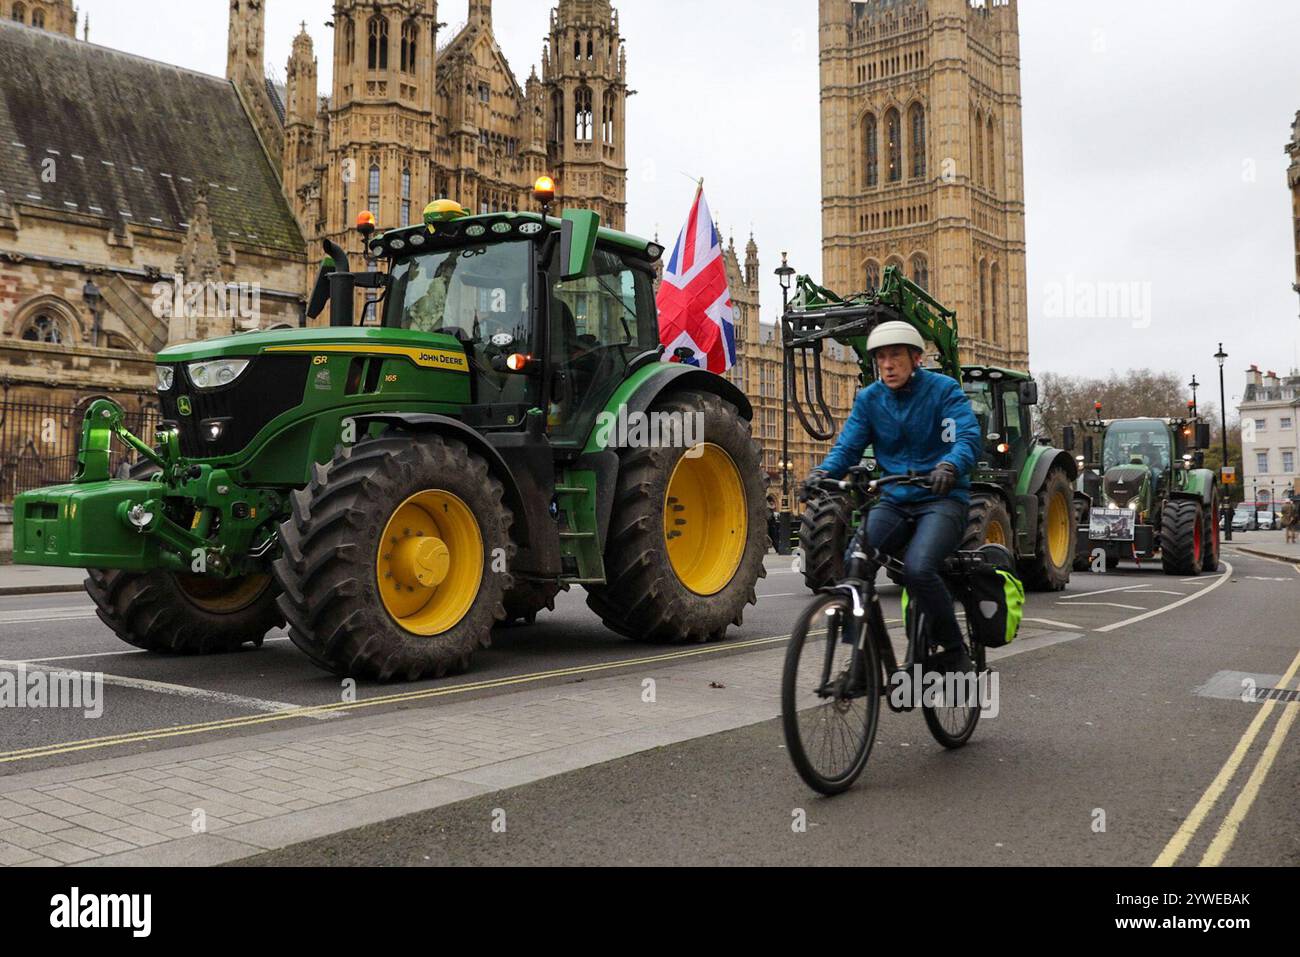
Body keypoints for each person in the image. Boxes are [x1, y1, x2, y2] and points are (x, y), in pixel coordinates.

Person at [804, 321, 983, 674]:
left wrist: (949, 464)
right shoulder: (870, 399)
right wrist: (823, 474)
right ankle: (860, 665)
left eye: (896, 356)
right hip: (894, 500)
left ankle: (954, 649)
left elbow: (967, 437)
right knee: (855, 566)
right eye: (881, 358)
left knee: (918, 569)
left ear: (916, 358)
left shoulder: (943, 391)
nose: (888, 365)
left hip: (941, 500)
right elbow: (848, 447)